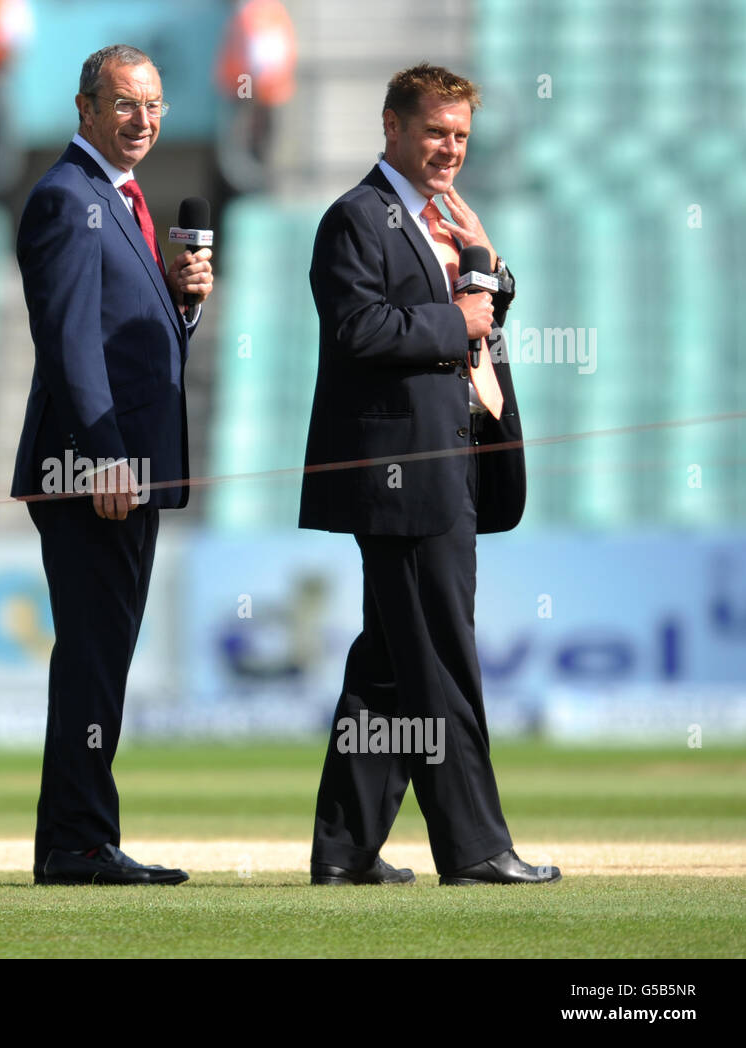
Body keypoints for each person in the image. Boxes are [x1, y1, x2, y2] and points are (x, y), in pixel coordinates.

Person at [299, 63, 561, 886]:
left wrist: (482, 258)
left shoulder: (443, 218)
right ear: (392, 128)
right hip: (401, 478)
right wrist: (459, 313)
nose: (449, 149)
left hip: (450, 467)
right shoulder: (355, 218)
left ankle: (344, 853)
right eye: (435, 133)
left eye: (460, 137)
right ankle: (477, 847)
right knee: (441, 662)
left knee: (388, 666)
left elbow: (482, 310)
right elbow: (358, 329)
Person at [11, 44, 213, 885]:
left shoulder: (118, 198)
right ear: (85, 108)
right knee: (94, 657)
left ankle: (81, 836)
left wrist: (182, 305)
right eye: (126, 104)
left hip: (123, 471)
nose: (144, 120)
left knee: (103, 657)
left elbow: (119, 335)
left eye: (155, 105)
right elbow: (67, 345)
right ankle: (76, 843)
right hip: (96, 474)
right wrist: (105, 459)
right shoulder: (67, 196)